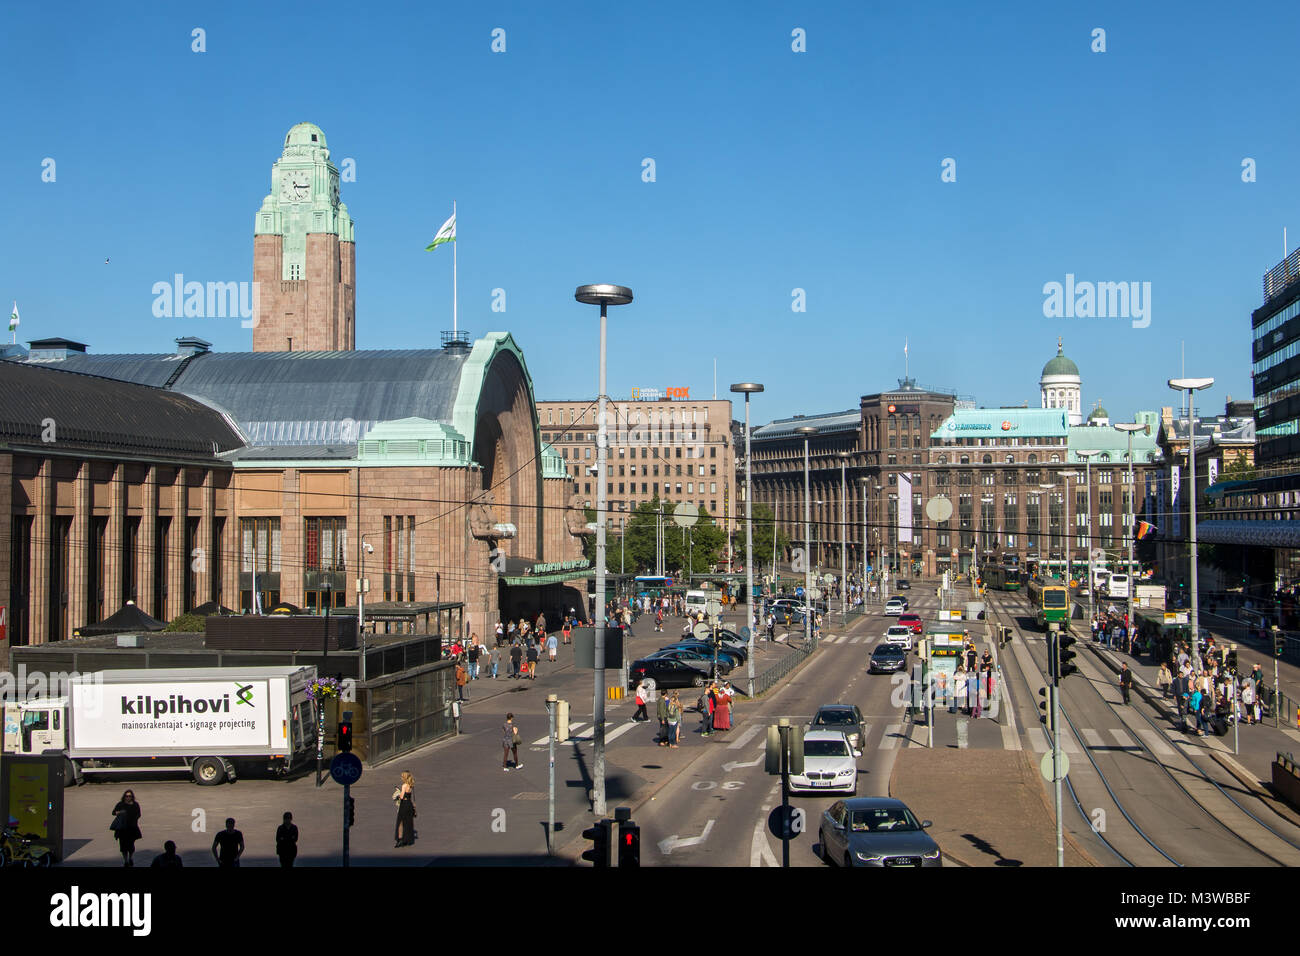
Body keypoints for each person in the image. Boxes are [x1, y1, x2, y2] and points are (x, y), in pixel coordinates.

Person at [111, 789, 143, 867]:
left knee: (131, 845)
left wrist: (134, 819)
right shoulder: (120, 804)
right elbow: (113, 812)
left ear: (132, 797)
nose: (128, 797)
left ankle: (130, 858)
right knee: (123, 846)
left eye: (130, 796)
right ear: (124, 796)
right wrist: (120, 812)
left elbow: (139, 814)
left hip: (132, 828)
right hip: (122, 828)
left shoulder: (135, 804)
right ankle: (125, 860)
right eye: (127, 796)